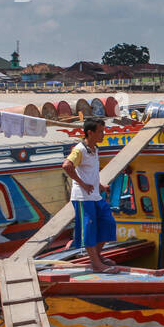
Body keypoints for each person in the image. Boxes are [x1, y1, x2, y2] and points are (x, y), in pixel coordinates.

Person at [63, 117, 120, 273]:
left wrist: (100, 185)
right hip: (83, 197)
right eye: (100, 132)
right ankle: (96, 264)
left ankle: (98, 256)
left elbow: (90, 173)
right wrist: (82, 184)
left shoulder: (95, 149)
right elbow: (67, 166)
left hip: (94, 195)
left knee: (108, 222)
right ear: (90, 133)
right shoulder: (79, 150)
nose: (103, 134)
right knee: (88, 229)